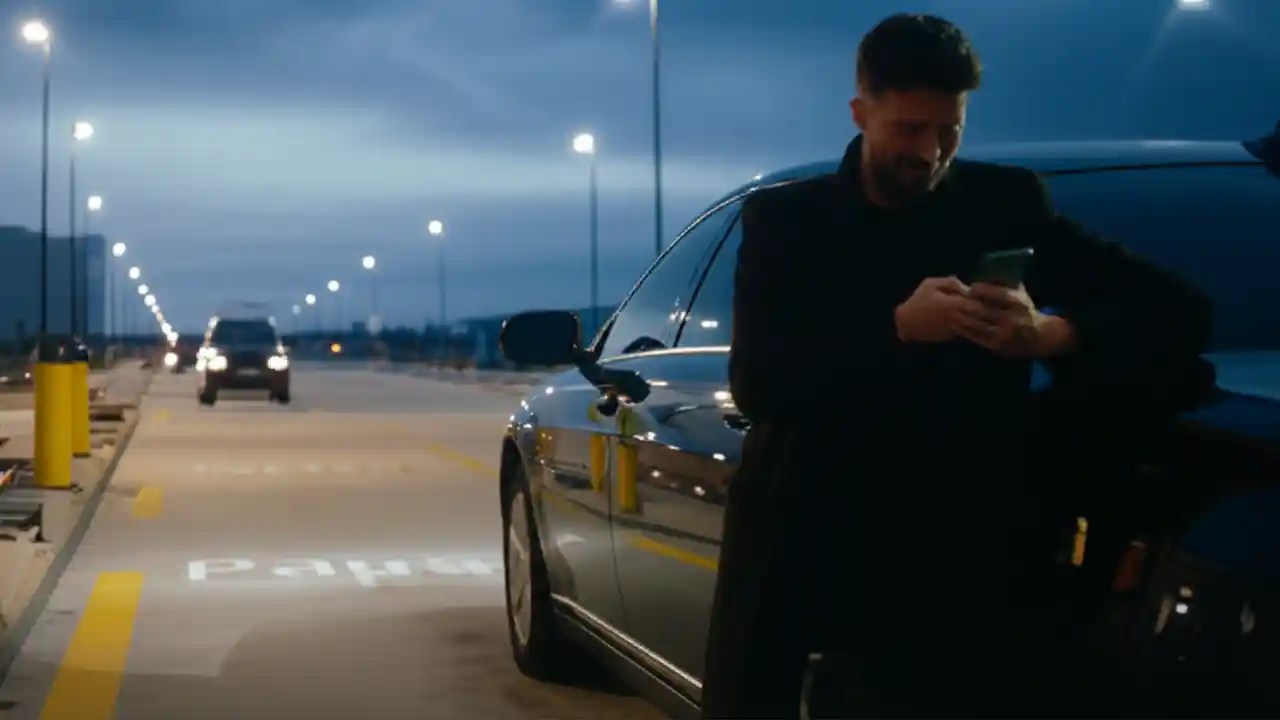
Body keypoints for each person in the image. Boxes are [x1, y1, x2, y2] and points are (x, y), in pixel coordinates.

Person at [700, 12, 1212, 719]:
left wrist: (1052, 335)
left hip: (959, 554)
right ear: (861, 112)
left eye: (949, 130)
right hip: (811, 543)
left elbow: (1175, 309)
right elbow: (761, 382)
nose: (931, 152)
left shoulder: (1001, 204)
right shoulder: (789, 222)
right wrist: (896, 330)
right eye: (910, 129)